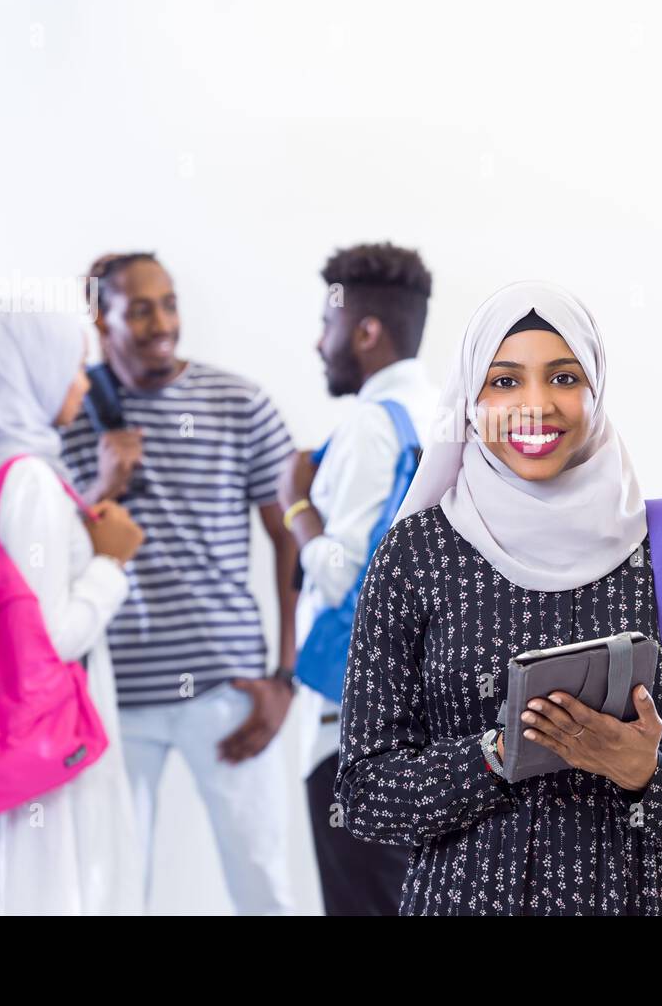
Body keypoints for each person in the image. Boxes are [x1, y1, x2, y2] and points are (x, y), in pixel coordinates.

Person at [333, 280, 662, 915]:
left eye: (564, 378)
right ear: (469, 400)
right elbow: (363, 796)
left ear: (596, 390)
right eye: (504, 382)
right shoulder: (417, 555)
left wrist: (645, 770)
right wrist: (496, 755)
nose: (536, 405)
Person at [59, 252, 300, 915]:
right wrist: (102, 486)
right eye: (138, 308)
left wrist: (287, 676)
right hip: (115, 695)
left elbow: (291, 539)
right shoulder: (73, 409)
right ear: (99, 318)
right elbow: (41, 543)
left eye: (167, 302)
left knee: (262, 881)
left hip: (229, 689)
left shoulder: (240, 402)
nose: (161, 322)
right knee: (111, 891)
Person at [0, 300, 146, 915]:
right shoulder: (31, 480)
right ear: (22, 369)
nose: (84, 383)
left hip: (3, 746)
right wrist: (110, 563)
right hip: (50, 753)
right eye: (72, 365)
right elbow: (49, 637)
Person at [279, 242, 440, 915]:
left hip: (353, 731)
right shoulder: (443, 415)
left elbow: (345, 576)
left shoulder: (373, 427)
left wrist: (297, 508)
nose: (320, 343)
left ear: (367, 330)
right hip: (429, 725)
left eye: (329, 323)